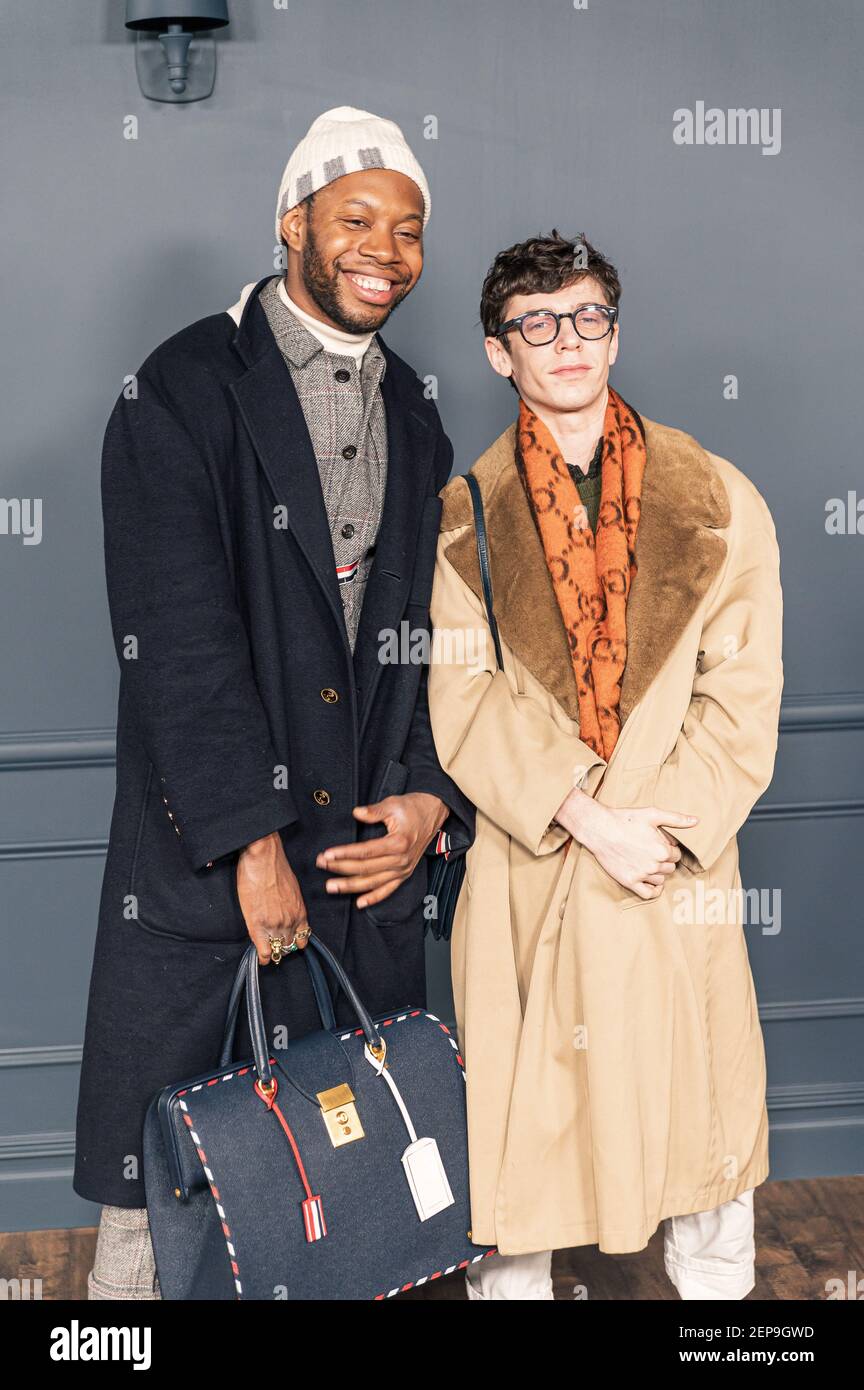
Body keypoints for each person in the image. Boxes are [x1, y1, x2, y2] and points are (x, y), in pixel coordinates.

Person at [76, 107, 474, 1299]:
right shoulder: (182, 391)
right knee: (169, 1181)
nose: (386, 251)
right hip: (214, 860)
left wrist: (423, 802)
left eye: (408, 231)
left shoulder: (415, 408)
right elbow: (179, 646)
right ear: (292, 221)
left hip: (363, 866)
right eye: (357, 219)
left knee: (345, 1189)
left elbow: (423, 644)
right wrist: (251, 843)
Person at [427, 230, 784, 1300]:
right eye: (538, 324)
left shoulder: (720, 500)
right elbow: (463, 692)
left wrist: (660, 829)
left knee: (705, 1143)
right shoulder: (462, 521)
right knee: (521, 1161)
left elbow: (745, 691)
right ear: (501, 352)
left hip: (674, 873)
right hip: (539, 871)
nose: (567, 342)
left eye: (586, 319)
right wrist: (591, 819)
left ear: (614, 333)